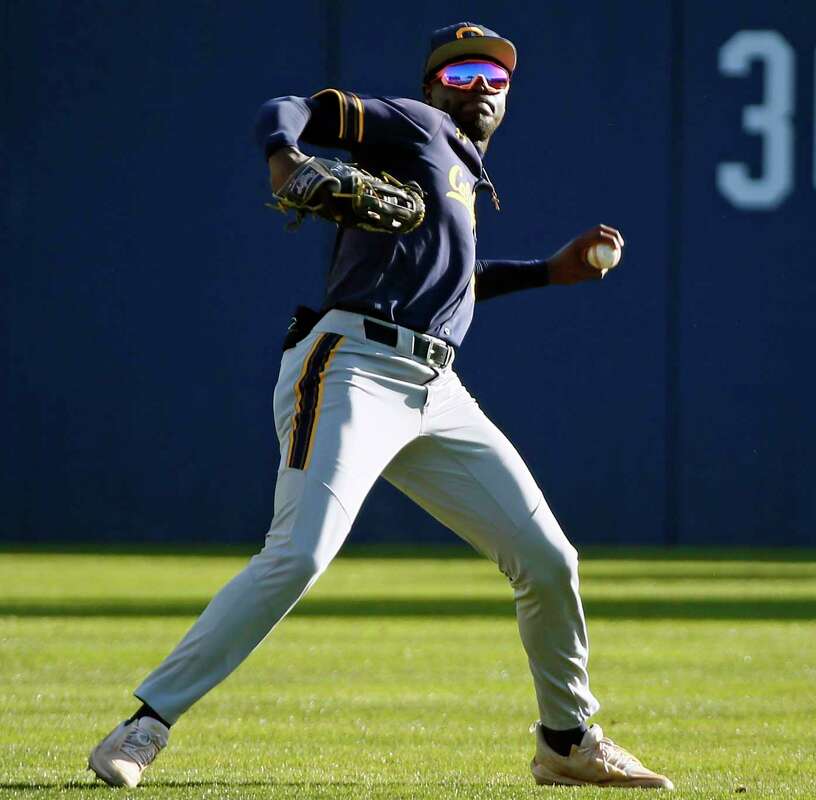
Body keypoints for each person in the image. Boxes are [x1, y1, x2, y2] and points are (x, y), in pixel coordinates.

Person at [87, 21, 672, 791]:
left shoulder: (463, 173)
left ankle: (565, 739)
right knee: (299, 552)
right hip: (352, 363)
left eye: (494, 79)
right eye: (461, 74)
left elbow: (453, 282)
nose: (479, 89)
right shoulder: (418, 123)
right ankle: (143, 726)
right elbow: (286, 105)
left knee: (547, 558)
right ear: (433, 87)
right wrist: (287, 159)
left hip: (436, 387)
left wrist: (544, 273)